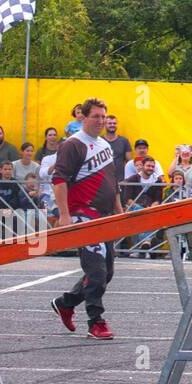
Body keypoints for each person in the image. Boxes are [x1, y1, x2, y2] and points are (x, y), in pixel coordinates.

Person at [50, 98, 122, 340]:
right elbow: (59, 179)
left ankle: (66, 302)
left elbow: (112, 179)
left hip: (105, 215)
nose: (101, 121)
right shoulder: (73, 145)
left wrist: (119, 208)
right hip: (83, 214)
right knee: (97, 272)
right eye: (96, 116)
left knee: (107, 272)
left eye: (103, 116)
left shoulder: (104, 145)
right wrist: (64, 214)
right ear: (83, 116)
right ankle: (96, 321)